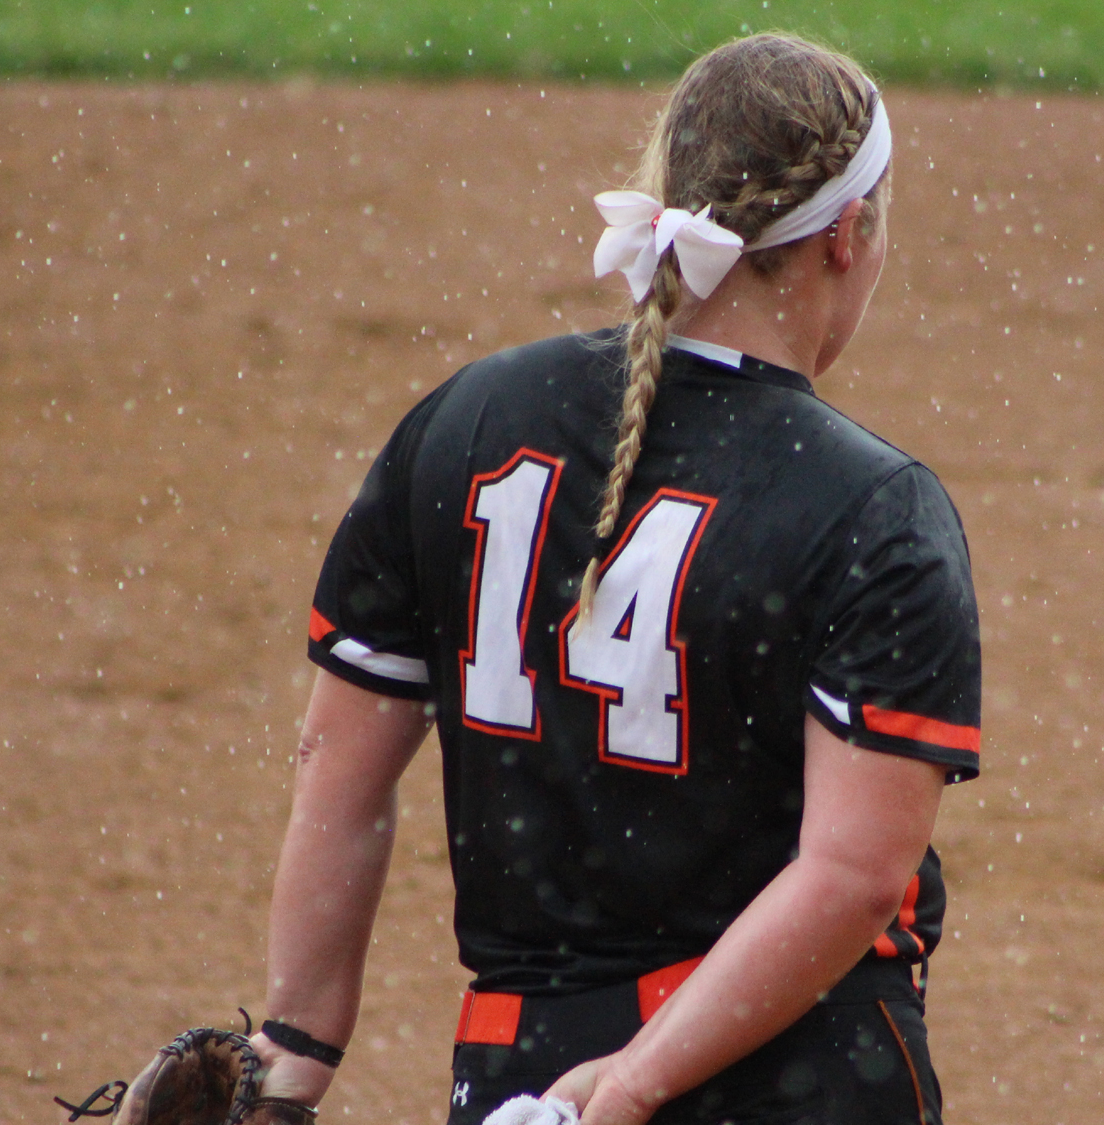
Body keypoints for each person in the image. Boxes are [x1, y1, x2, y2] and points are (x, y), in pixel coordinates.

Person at [245, 32, 982, 1125]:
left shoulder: (466, 422)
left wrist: (283, 1061)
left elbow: (337, 771)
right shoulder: (871, 509)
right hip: (789, 1069)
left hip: (515, 1068)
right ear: (842, 238)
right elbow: (852, 877)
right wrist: (634, 1087)